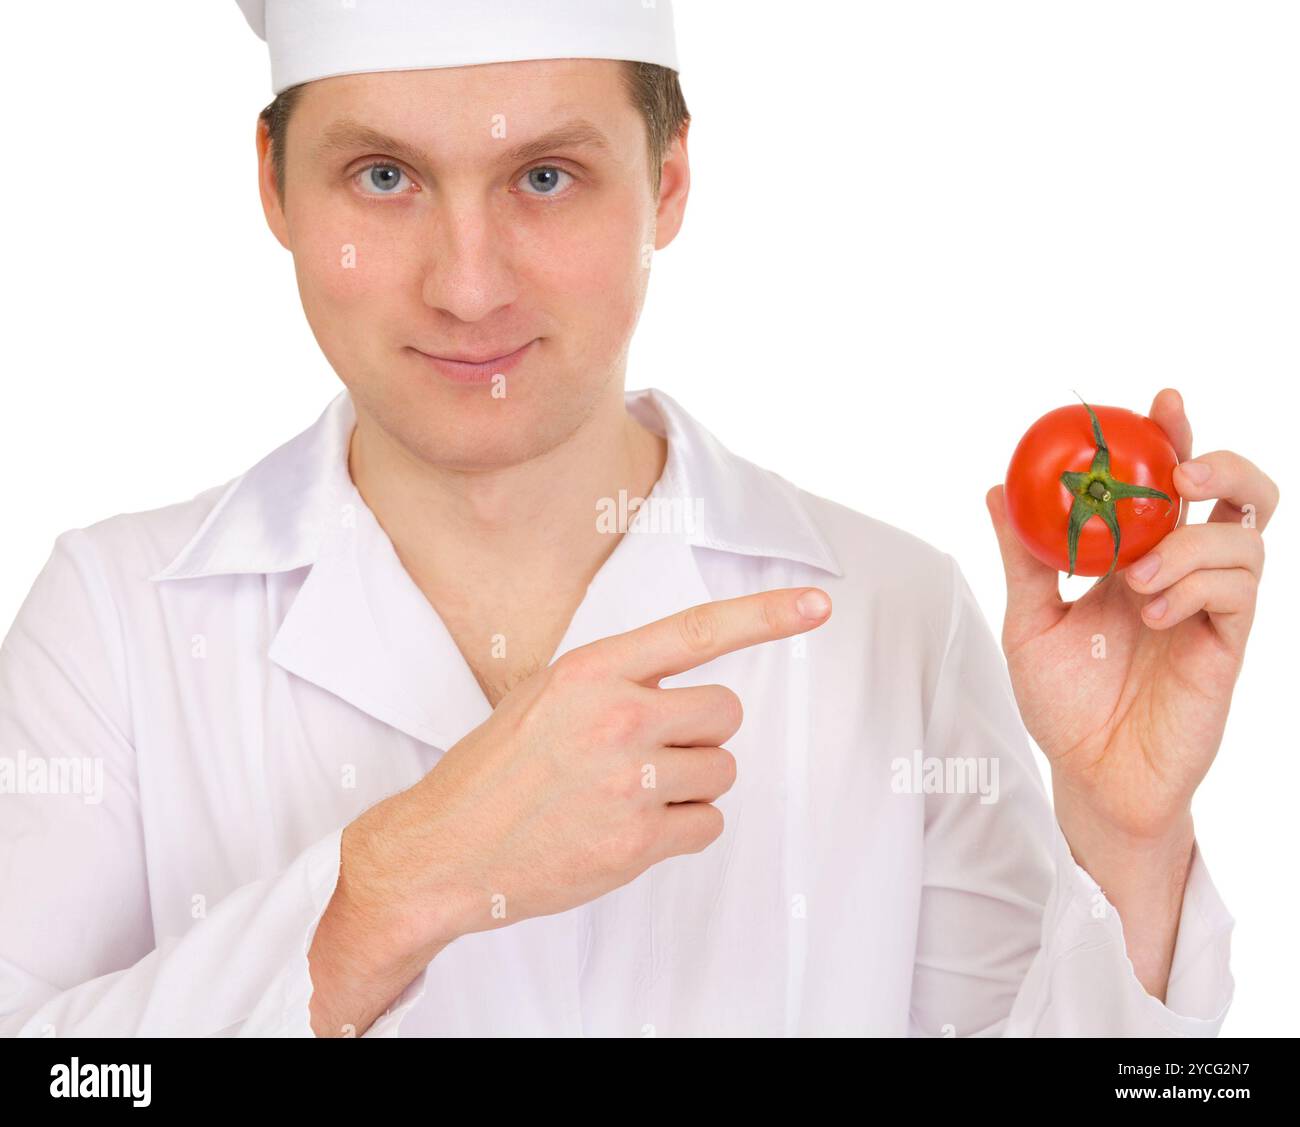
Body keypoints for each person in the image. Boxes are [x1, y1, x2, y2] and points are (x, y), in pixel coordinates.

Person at [0, 0, 1278, 1037]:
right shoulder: (114, 622)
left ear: (667, 183)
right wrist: (391, 886)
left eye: (545, 176)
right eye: (381, 175)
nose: (467, 282)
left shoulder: (892, 617)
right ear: (274, 189)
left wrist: (1126, 833)